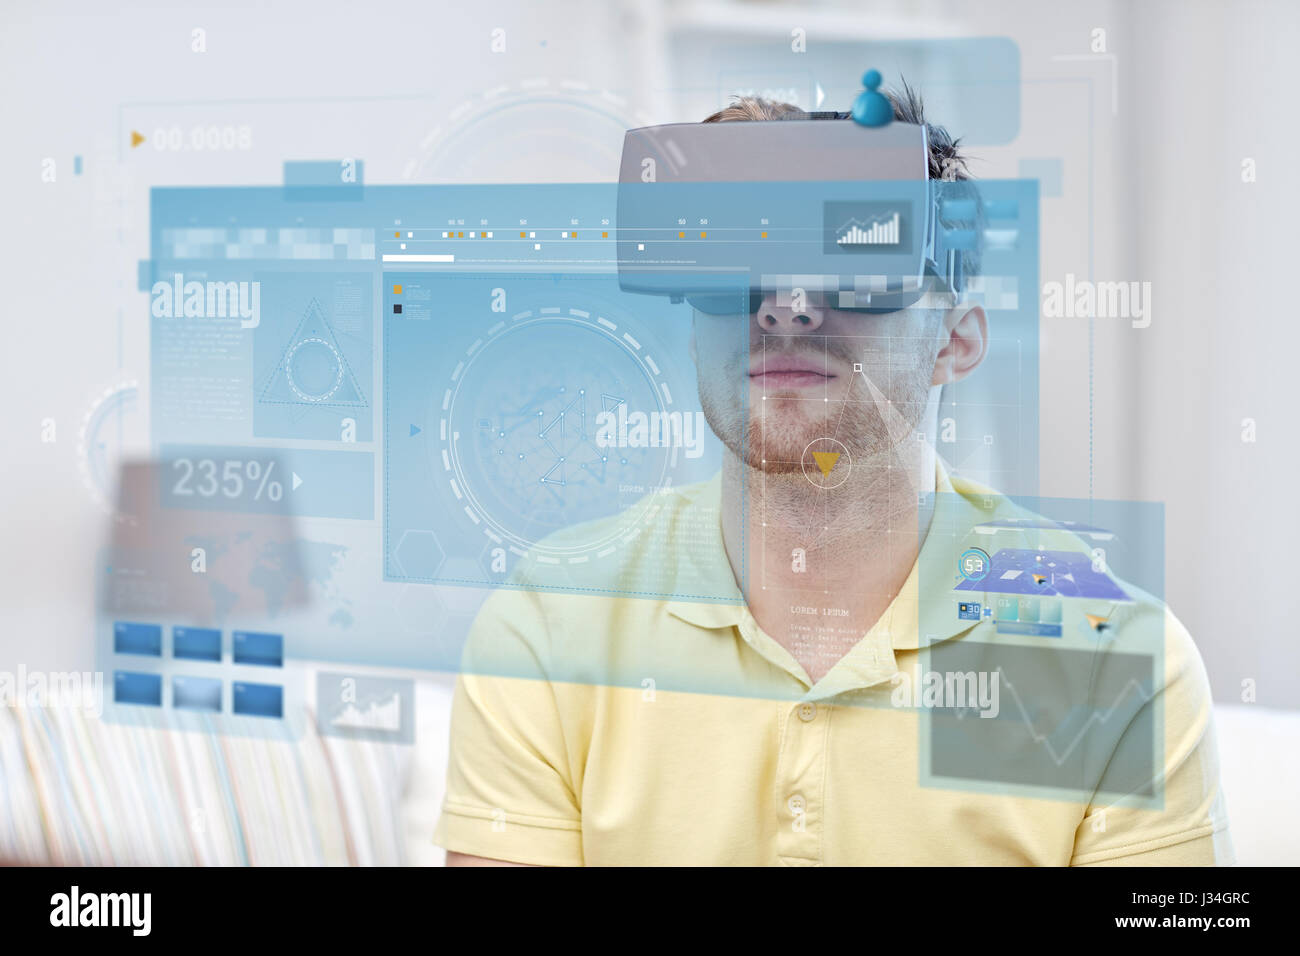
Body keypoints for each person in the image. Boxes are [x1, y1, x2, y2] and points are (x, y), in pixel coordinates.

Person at [434, 91, 1233, 866]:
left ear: (956, 339)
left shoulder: (1117, 658)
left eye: (853, 255)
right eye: (734, 267)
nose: (784, 308)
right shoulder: (548, 621)